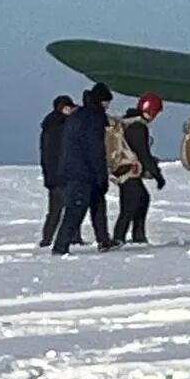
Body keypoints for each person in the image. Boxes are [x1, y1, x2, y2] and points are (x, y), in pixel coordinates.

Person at [52, 83, 118, 255]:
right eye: (107, 102)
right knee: (76, 209)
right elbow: (94, 149)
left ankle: (104, 240)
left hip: (74, 169)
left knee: (98, 204)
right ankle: (60, 247)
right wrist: (101, 175)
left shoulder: (80, 114)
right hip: (82, 172)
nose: (108, 106)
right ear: (101, 101)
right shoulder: (93, 117)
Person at [112, 92, 166, 245]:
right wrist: (157, 175)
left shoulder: (127, 123)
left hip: (124, 169)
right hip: (129, 171)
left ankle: (136, 235)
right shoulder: (137, 127)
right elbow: (143, 153)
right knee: (132, 204)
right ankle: (120, 238)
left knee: (140, 199)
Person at [39, 94, 78, 248]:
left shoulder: (50, 126)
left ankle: (47, 238)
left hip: (52, 175)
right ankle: (73, 237)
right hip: (62, 174)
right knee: (70, 207)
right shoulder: (61, 127)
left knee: (55, 210)